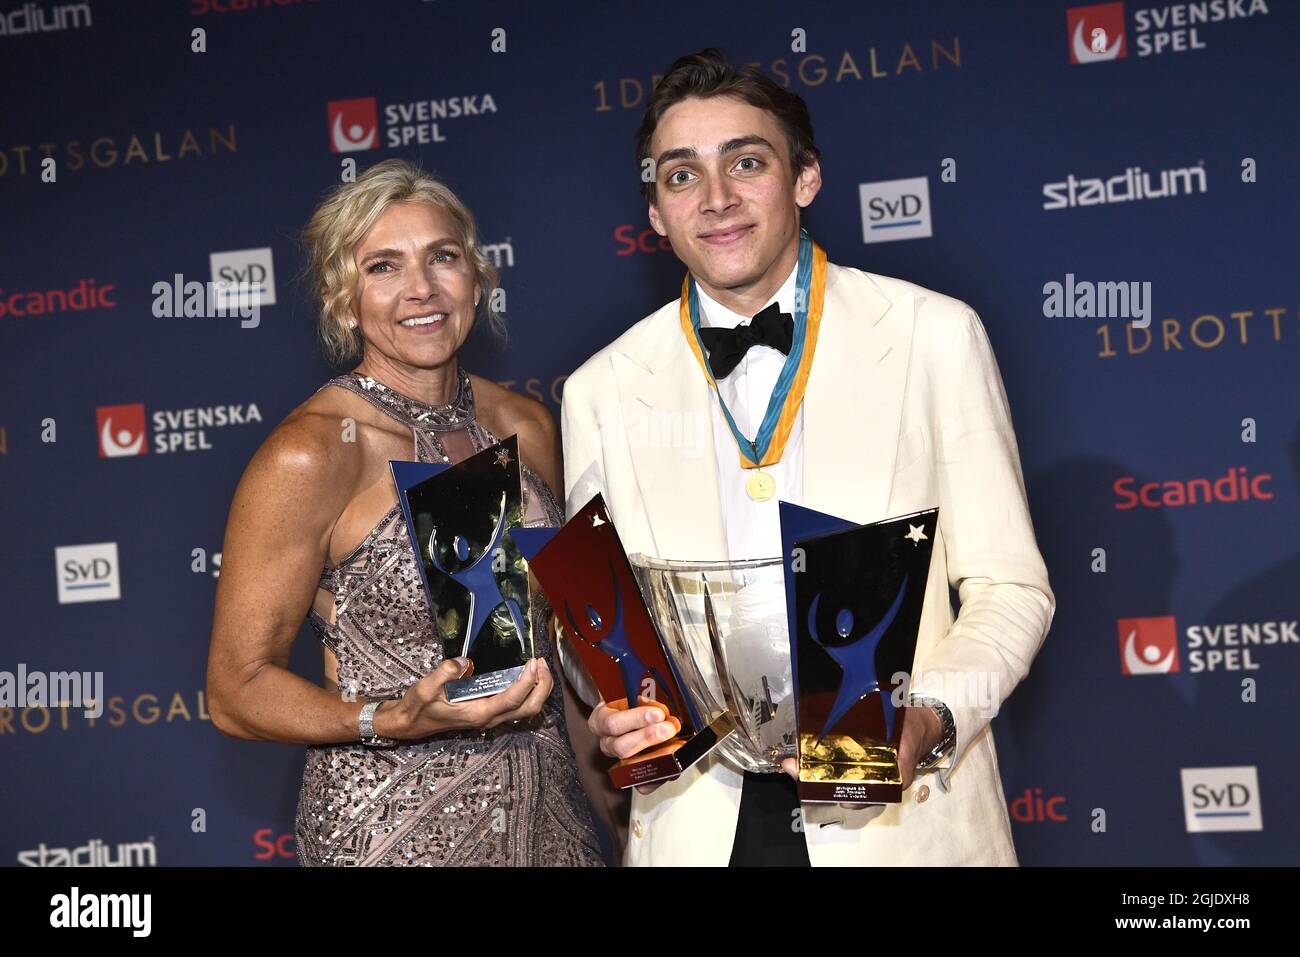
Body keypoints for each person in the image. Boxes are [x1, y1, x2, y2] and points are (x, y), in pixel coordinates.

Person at [559, 49, 1055, 866]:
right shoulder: (599, 389)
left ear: (806, 178)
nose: (716, 200)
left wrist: (925, 717)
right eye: (681, 177)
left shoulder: (933, 335)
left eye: (746, 163)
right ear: (654, 212)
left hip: (899, 821)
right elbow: (602, 629)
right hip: (701, 827)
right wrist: (611, 702)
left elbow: (1010, 587)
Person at [206, 158, 604, 867]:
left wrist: (626, 823)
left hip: (552, 824)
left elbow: (566, 647)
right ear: (340, 298)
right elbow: (236, 691)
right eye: (383, 266)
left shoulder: (526, 424)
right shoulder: (313, 453)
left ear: (476, 280)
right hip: (393, 831)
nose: (420, 289)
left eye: (442, 257)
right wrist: (390, 717)